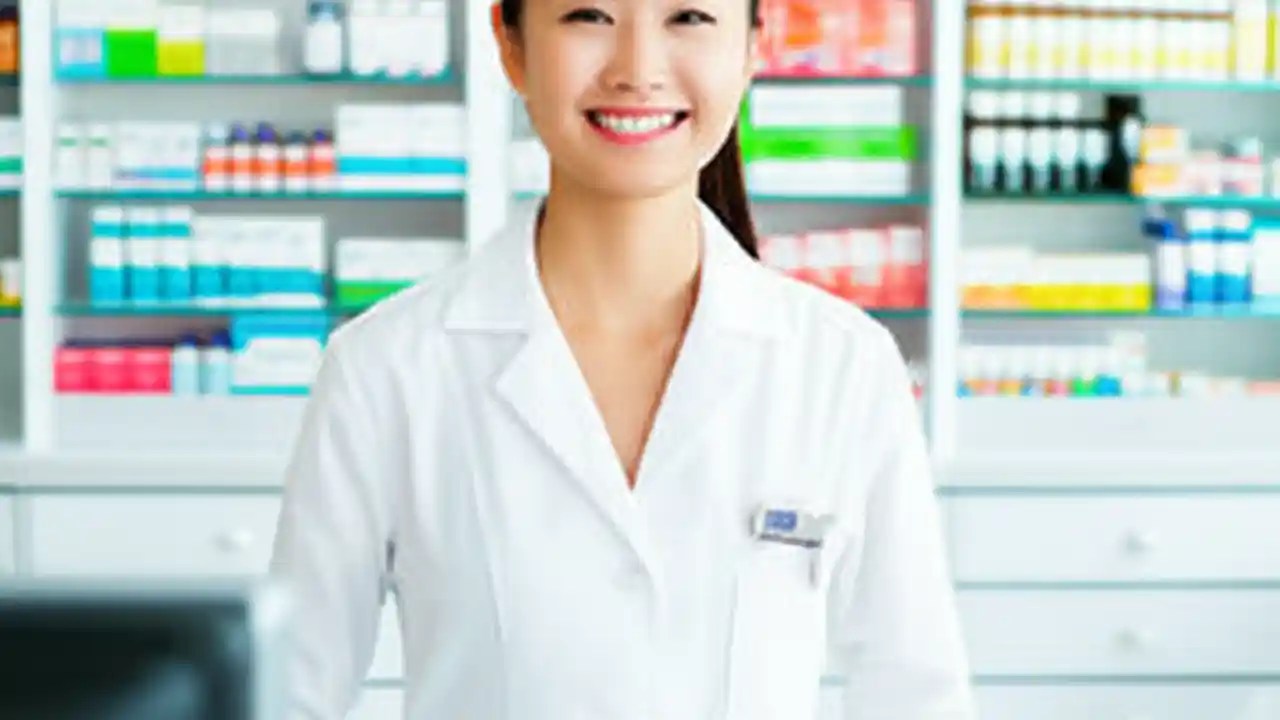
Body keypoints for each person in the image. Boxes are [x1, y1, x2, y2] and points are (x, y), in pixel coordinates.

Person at [268, 0, 975, 718]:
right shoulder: (388, 369)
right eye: (589, 15)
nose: (638, 70)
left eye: (688, 18)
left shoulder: (842, 366)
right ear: (511, 46)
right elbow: (289, 694)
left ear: (751, 50)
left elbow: (916, 695)